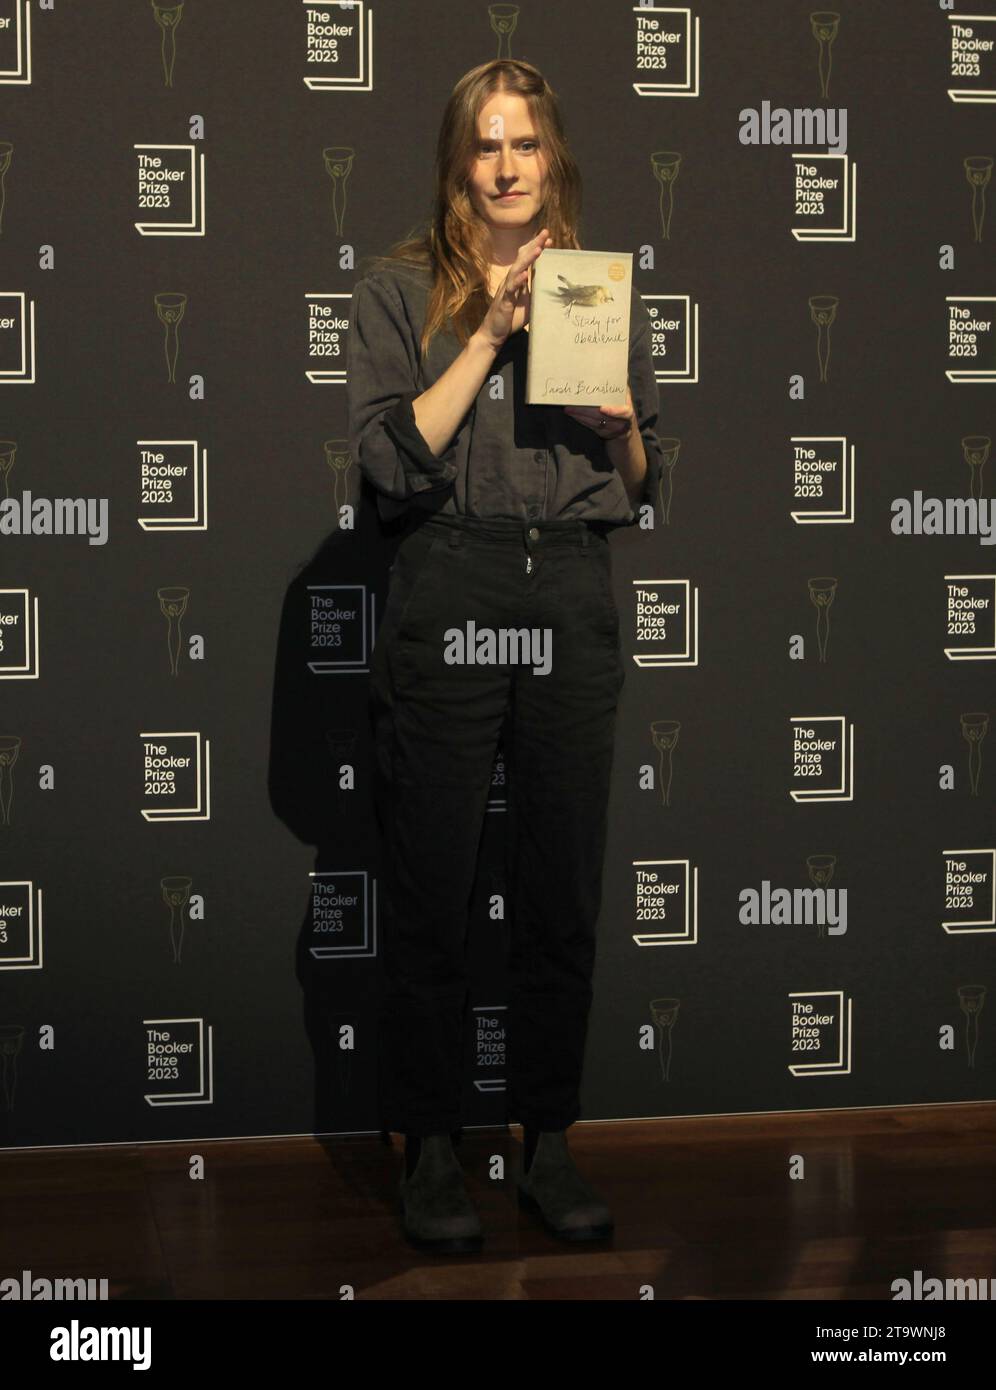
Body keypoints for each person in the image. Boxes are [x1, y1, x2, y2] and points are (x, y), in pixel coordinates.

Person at [346, 58, 665, 1254]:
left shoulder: (594, 288)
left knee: (561, 880)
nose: (506, 165)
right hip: (452, 572)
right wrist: (484, 333)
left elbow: (639, 484)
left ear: (552, 160)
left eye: (525, 143)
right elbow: (391, 458)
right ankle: (429, 1149)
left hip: (570, 579)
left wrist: (623, 426)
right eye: (485, 144)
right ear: (457, 164)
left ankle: (550, 1143)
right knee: (430, 874)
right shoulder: (398, 289)